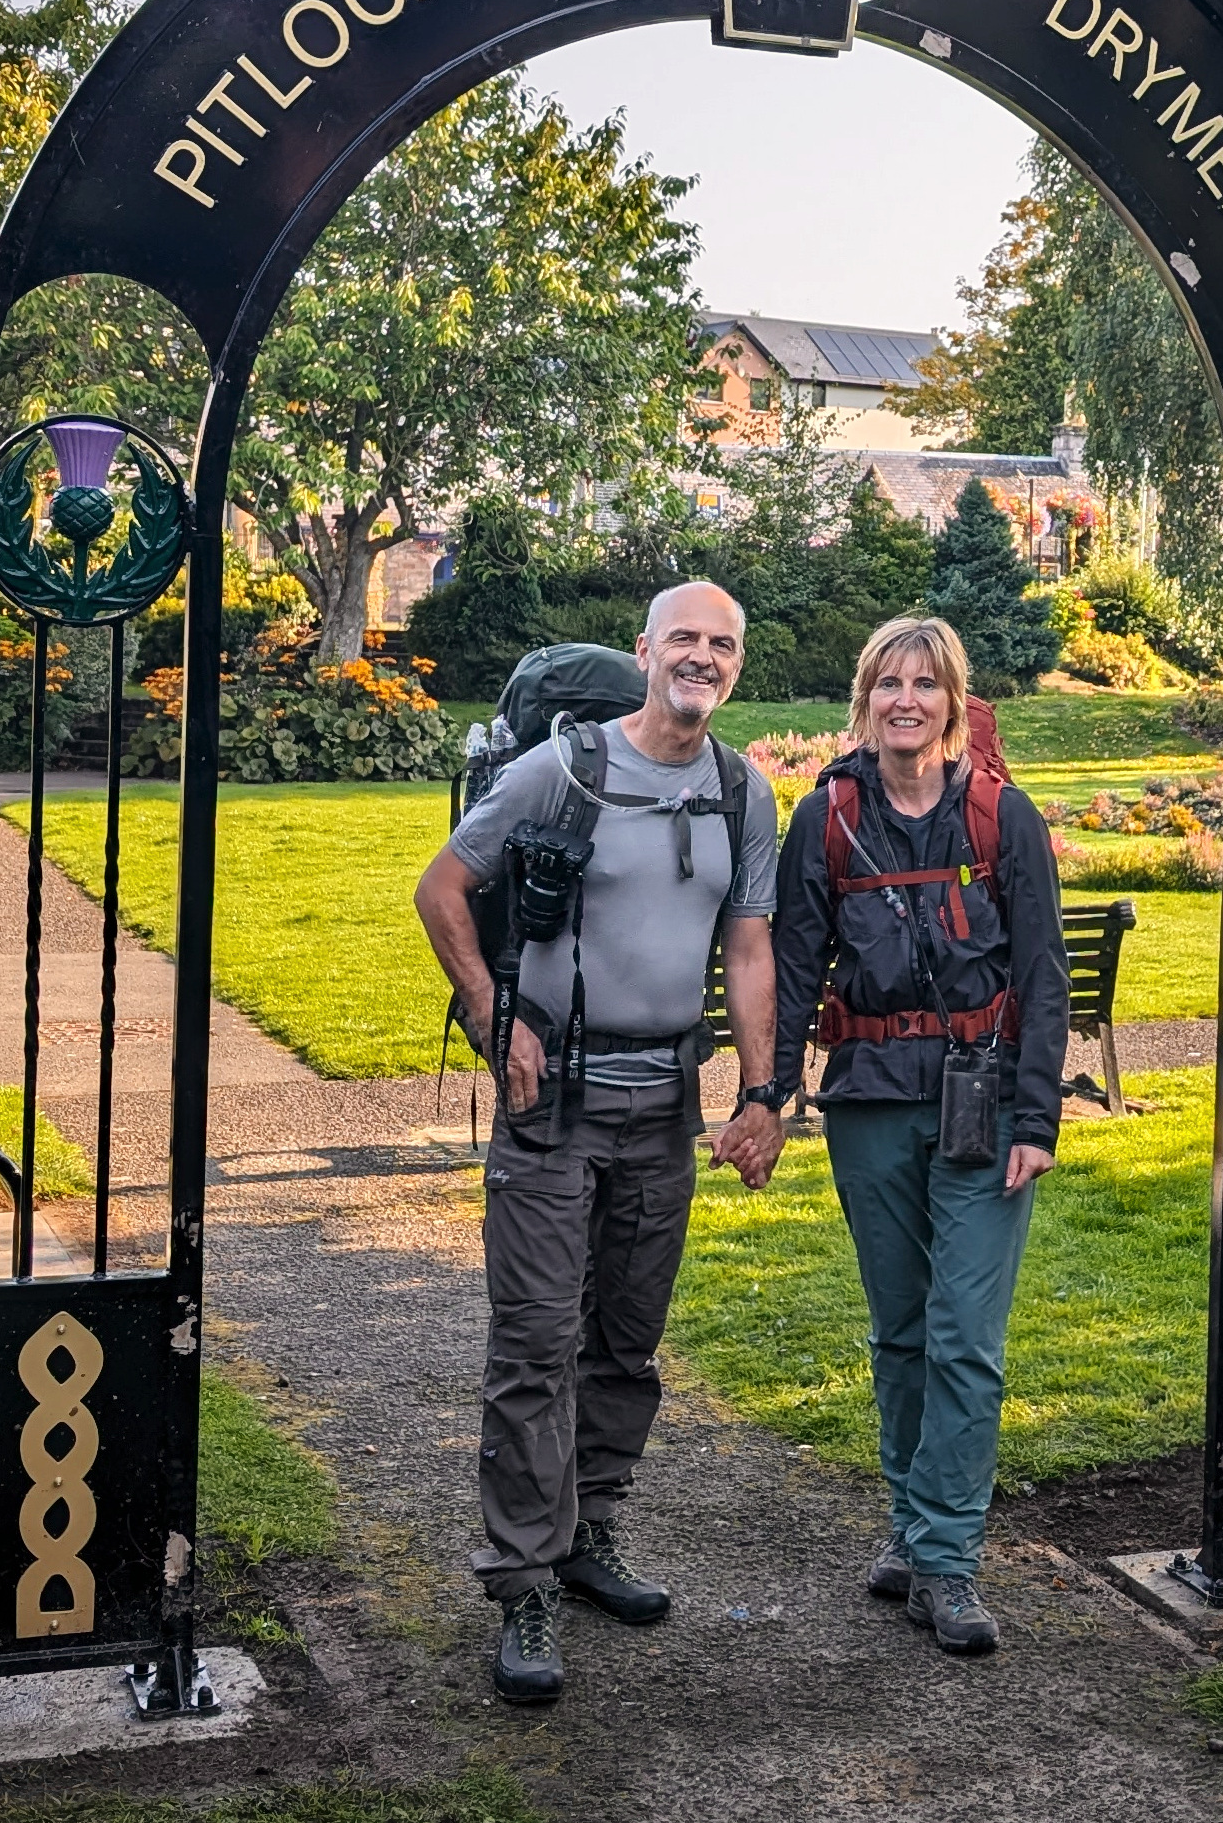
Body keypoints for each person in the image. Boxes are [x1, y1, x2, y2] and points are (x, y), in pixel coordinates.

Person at [414, 580, 785, 1705]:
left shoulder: (741, 793)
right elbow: (442, 889)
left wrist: (763, 1090)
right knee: (534, 1345)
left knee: (625, 1341)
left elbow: (751, 948)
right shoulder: (562, 771)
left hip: (665, 1105)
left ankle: (589, 1535)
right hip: (554, 1105)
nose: (703, 659)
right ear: (645, 651)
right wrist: (493, 1016)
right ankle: (522, 1578)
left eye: (723, 645)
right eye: (685, 638)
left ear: (734, 666)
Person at [738, 614, 1067, 1655]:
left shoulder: (1002, 818)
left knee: (967, 1339)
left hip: (984, 1105)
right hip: (873, 1101)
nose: (907, 700)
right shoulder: (826, 817)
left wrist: (1038, 1114)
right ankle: (911, 1528)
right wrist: (769, 1096)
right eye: (889, 682)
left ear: (954, 701)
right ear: (865, 698)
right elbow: (793, 970)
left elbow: (1043, 975)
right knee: (903, 1331)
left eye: (926, 683)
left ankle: (948, 1564)